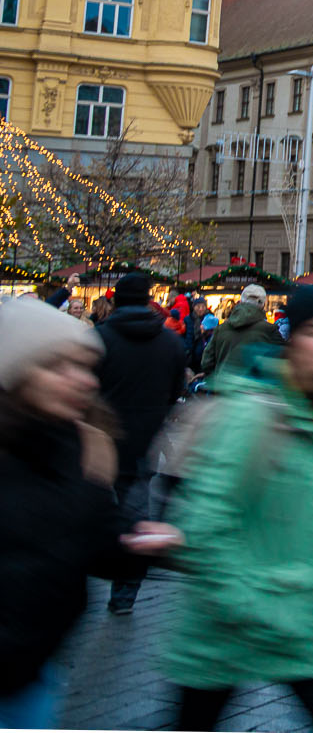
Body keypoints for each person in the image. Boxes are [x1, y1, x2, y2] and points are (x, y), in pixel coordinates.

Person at [161, 285, 313, 733]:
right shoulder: (253, 414)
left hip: (305, 633)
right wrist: (266, 610)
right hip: (234, 630)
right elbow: (203, 530)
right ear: (293, 342)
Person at [0, 296, 179, 726]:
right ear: (17, 374)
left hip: (34, 672)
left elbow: (92, 531)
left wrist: (142, 541)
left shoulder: (71, 443)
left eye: (84, 367)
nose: (81, 381)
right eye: (58, 366)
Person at [94, 272, 187, 614]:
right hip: (144, 442)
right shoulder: (170, 343)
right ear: (149, 300)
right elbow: (176, 390)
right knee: (136, 513)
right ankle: (125, 592)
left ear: (115, 300)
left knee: (90, 508)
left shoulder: (99, 338)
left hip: (99, 442)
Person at [200, 284, 280, 379]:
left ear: (241, 301)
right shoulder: (270, 330)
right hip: (255, 390)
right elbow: (281, 365)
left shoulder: (221, 328)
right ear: (263, 305)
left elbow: (206, 363)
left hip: (223, 387)